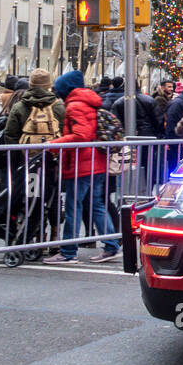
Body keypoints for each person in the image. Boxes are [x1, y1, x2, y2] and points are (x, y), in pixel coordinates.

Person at [40, 71, 119, 264]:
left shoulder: (75, 105)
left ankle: (68, 251)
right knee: (97, 205)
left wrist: (54, 144)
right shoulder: (89, 101)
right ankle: (111, 246)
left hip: (81, 163)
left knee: (73, 207)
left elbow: (81, 135)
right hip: (96, 161)